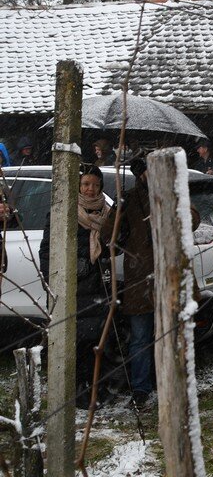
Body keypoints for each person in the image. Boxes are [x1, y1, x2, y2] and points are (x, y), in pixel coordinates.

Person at [102, 156, 199, 408]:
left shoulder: (173, 193)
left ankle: (175, 383)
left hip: (172, 275)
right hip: (139, 280)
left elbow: (193, 222)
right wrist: (117, 209)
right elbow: (108, 238)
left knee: (173, 333)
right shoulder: (130, 200)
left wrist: (175, 198)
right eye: (146, 173)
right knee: (140, 337)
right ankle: (141, 389)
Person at [39, 164, 112, 408]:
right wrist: (59, 279)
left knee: (97, 341)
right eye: (85, 184)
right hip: (74, 289)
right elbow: (47, 250)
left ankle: (96, 389)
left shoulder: (107, 212)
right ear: (77, 186)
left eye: (95, 185)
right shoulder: (64, 211)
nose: (90, 189)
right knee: (77, 343)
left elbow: (113, 244)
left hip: (99, 287)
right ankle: (79, 393)